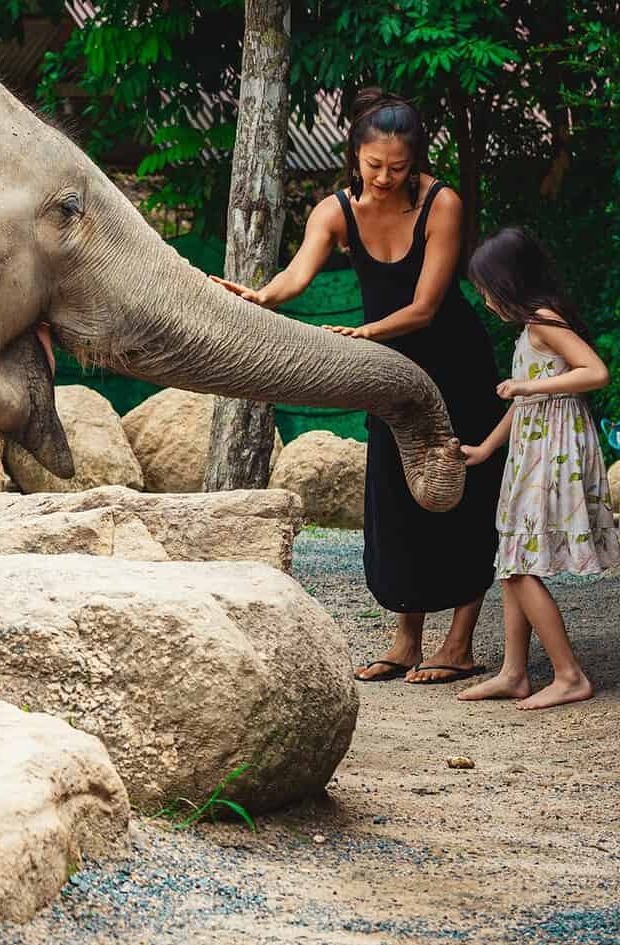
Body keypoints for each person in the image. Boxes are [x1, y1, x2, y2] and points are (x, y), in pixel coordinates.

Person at [213, 88, 506, 685]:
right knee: (395, 501)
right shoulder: (335, 210)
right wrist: (263, 296)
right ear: (355, 155)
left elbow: (425, 307)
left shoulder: (441, 203)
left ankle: (458, 643)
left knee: (462, 495)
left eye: (397, 168)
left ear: (416, 161)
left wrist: (364, 333)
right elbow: (298, 273)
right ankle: (405, 640)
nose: (384, 178)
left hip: (454, 364)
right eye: (373, 166)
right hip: (386, 376)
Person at [455, 227, 620, 709]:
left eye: (487, 290)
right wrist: (486, 449)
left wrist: (528, 389)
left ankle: (569, 675)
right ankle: (514, 672)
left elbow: (595, 372)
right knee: (514, 554)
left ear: (509, 282)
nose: (486, 300)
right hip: (532, 446)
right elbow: (527, 395)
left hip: (555, 450)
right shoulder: (530, 329)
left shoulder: (544, 321)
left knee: (518, 564)